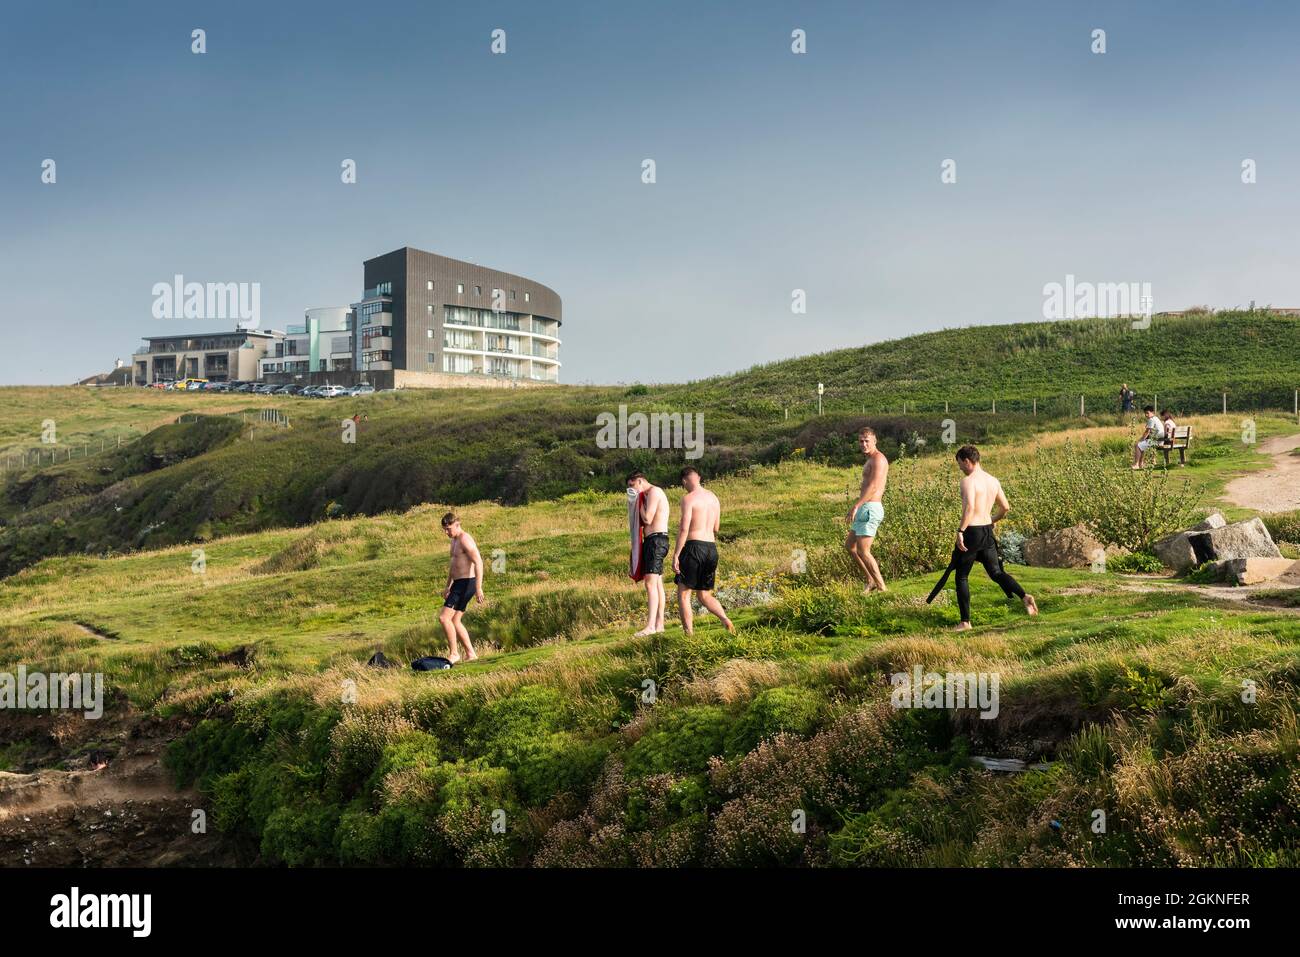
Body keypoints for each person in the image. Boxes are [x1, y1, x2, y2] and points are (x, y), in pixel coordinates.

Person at [949, 445, 1037, 631]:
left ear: (967, 461)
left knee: (962, 576)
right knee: (996, 573)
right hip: (987, 531)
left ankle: (965, 622)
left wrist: (960, 531)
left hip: (972, 531)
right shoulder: (993, 480)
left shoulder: (968, 481)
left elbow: (970, 508)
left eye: (959, 464)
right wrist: (991, 520)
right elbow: (1005, 507)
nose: (960, 468)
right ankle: (1025, 597)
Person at [672, 466, 734, 636]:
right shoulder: (714, 498)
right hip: (711, 549)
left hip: (694, 547)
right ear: (698, 477)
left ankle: (689, 635)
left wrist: (676, 554)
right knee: (704, 595)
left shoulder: (688, 499)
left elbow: (684, 528)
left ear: (684, 481)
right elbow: (716, 528)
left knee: (684, 595)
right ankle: (725, 619)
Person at [845, 427, 889, 593]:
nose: (863, 444)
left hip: (870, 507)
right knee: (850, 546)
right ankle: (870, 580)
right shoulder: (870, 459)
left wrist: (857, 505)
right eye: (861, 441)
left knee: (864, 551)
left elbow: (874, 486)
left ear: (875, 441)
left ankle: (882, 587)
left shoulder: (878, 459)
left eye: (867, 441)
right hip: (865, 507)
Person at [439, 512, 487, 663]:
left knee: (444, 618)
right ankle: (471, 654)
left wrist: (478, 588)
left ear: (457, 524)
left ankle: (454, 654)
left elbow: (479, 562)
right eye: (444, 529)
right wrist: (448, 586)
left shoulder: (465, 540)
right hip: (458, 583)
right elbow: (453, 566)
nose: (447, 532)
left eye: (449, 529)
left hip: (467, 583)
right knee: (455, 620)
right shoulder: (454, 540)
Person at [627, 471, 669, 636]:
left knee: (650, 584)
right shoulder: (649, 493)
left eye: (632, 486)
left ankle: (651, 626)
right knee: (657, 584)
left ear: (640, 481)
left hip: (656, 540)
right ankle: (659, 625)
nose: (632, 489)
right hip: (654, 541)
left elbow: (648, 519)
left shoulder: (654, 492)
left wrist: (637, 502)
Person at [1132, 404, 1166, 469]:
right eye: (1145, 413)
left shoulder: (1151, 419)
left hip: (1157, 441)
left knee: (1137, 445)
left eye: (1147, 413)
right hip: (1160, 440)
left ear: (1152, 412)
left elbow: (1147, 432)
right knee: (1141, 445)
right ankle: (1141, 464)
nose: (1146, 415)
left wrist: (1140, 440)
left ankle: (1136, 464)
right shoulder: (1156, 418)